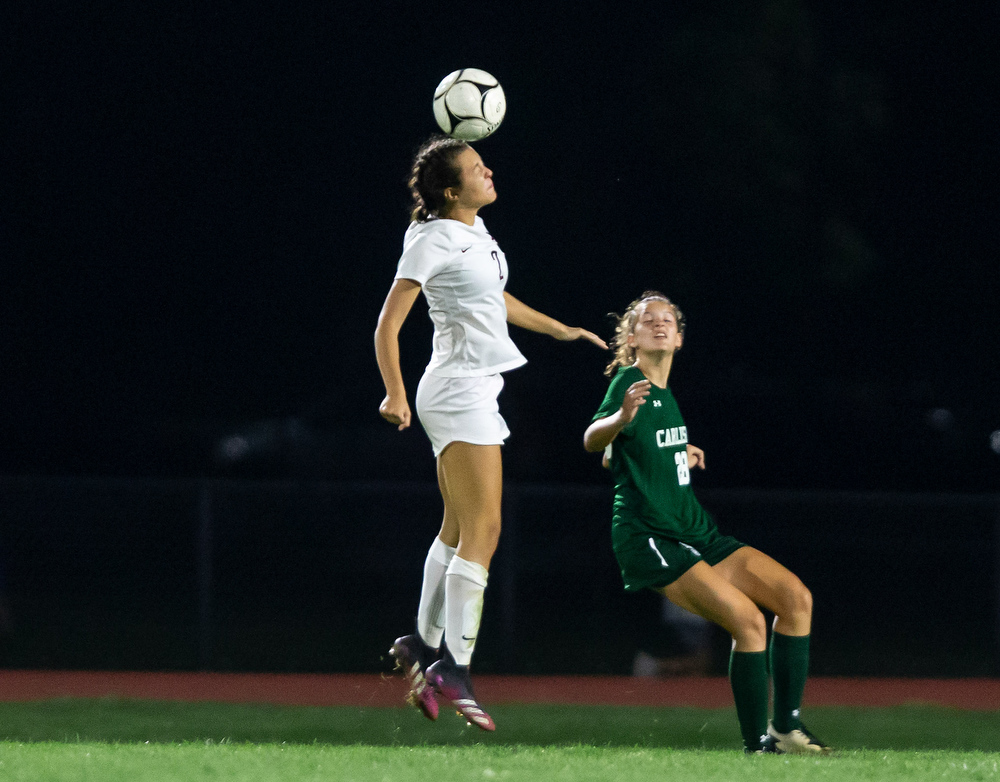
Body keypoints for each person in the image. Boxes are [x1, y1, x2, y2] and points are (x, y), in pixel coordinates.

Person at [375, 135, 606, 731]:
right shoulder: (433, 237)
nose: (490, 171)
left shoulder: (473, 234)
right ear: (451, 191)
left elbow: (493, 300)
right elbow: (388, 324)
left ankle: (422, 645)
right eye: (477, 169)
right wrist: (394, 391)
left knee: (457, 529)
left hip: (470, 387)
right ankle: (455, 665)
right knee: (486, 526)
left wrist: (559, 328)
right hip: (456, 390)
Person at [583, 291, 832, 755]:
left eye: (668, 321)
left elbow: (624, 453)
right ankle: (757, 744)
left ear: (678, 340)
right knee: (748, 621)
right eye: (647, 319)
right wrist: (618, 418)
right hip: (650, 535)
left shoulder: (664, 395)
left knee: (796, 598)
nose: (660, 324)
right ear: (632, 338)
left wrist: (679, 450)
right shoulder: (628, 383)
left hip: (695, 531)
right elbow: (593, 441)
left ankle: (787, 726)